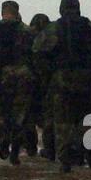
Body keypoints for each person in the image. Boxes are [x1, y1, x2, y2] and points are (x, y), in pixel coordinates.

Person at [34, 0, 91, 172]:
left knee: (63, 121)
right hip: (86, 79)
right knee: (87, 119)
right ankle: (88, 153)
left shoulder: (54, 28)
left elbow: (37, 52)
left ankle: (65, 161)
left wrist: (48, 73)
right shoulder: (88, 26)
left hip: (62, 80)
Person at [0, 0, 36, 164]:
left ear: (3, 12)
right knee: (19, 115)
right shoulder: (27, 31)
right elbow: (35, 56)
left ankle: (2, 133)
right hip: (23, 76)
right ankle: (15, 151)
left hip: (0, 77)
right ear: (17, 12)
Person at [28, 13, 52, 159]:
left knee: (31, 118)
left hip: (34, 84)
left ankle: (32, 148)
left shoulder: (31, 40)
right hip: (49, 83)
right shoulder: (52, 37)